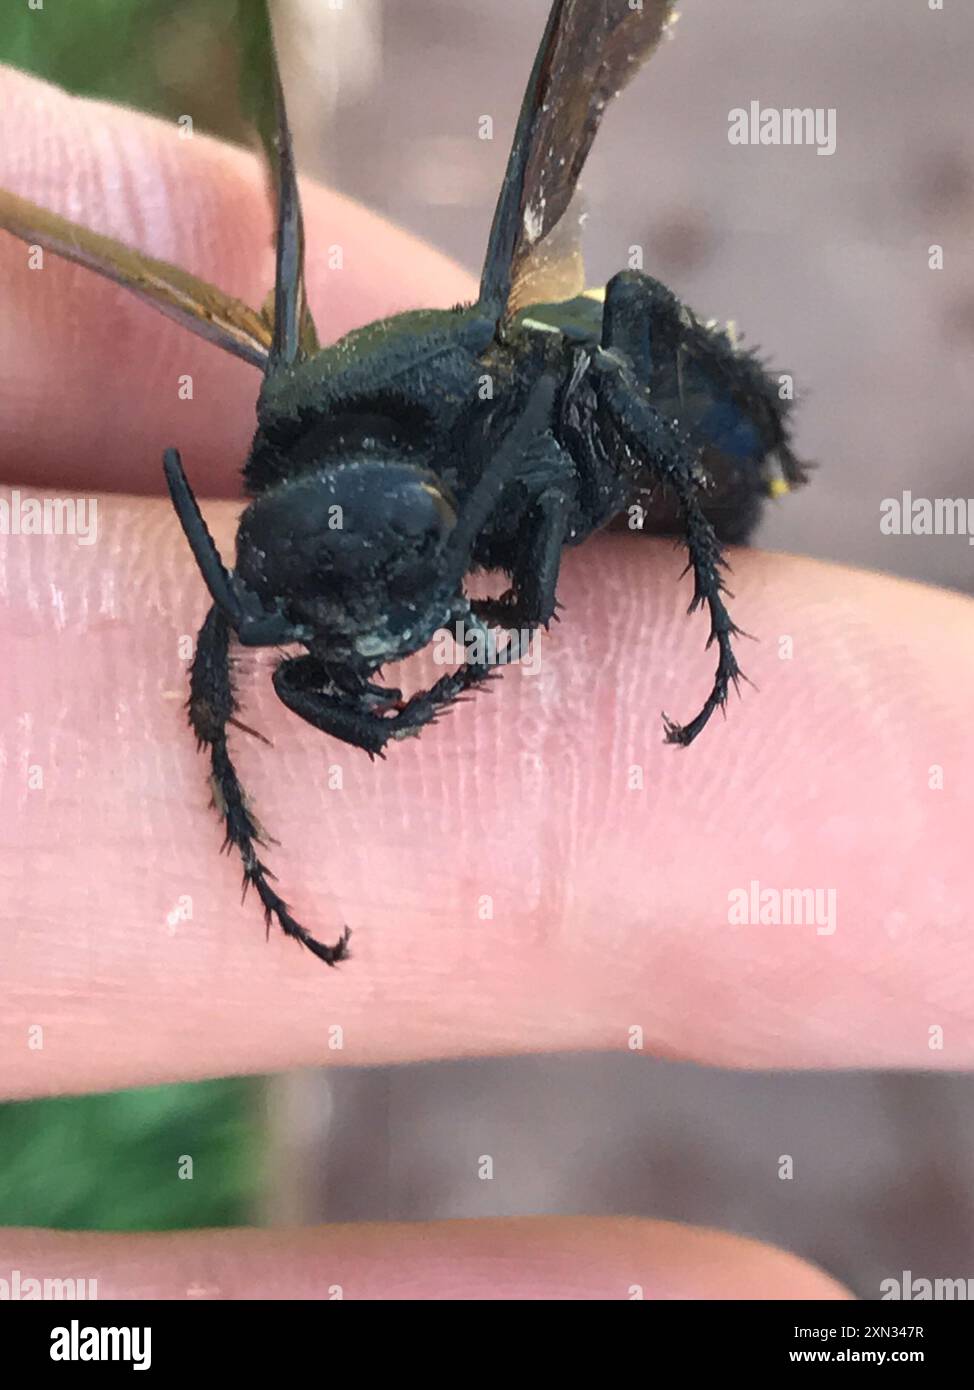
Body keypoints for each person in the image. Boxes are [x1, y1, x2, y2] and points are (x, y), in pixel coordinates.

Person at [3, 66, 971, 1300]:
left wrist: (695, 600)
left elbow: (559, 453)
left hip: (682, 435)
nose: (350, 640)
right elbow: (248, 606)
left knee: (599, 344)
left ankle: (718, 573)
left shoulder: (496, 438)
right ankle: (233, 813)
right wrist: (239, 797)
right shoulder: (304, 489)